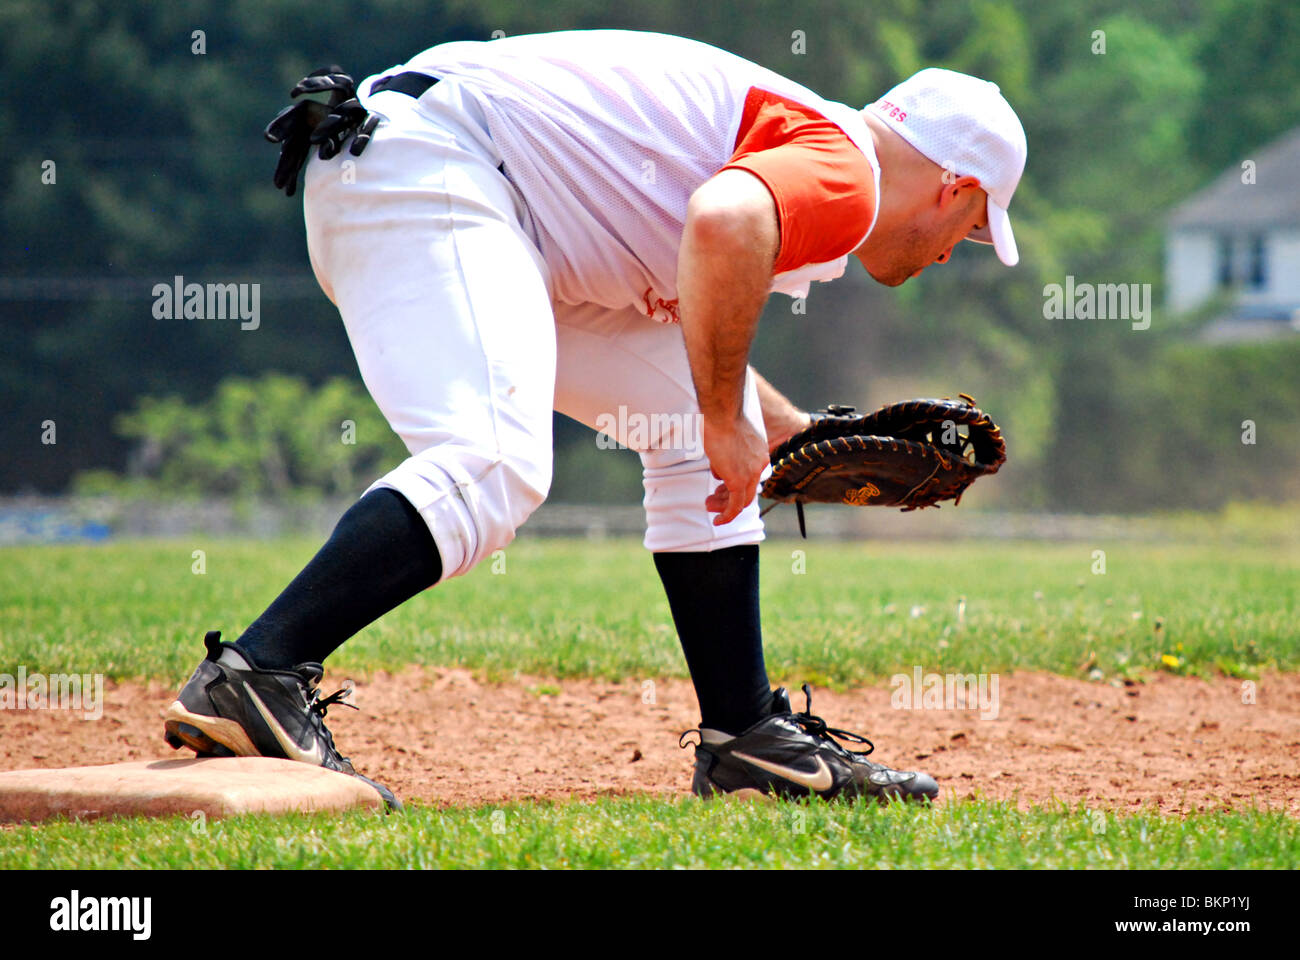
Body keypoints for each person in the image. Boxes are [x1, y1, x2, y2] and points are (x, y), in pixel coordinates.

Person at [164, 29, 1027, 807]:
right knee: (495, 461)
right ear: (955, 188)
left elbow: (703, 287)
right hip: (434, 166)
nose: (958, 249)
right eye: (977, 227)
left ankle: (745, 739)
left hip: (468, 187)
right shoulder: (848, 173)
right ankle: (259, 670)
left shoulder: (816, 144)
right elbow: (725, 223)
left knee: (695, 437)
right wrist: (729, 417)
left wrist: (781, 431)